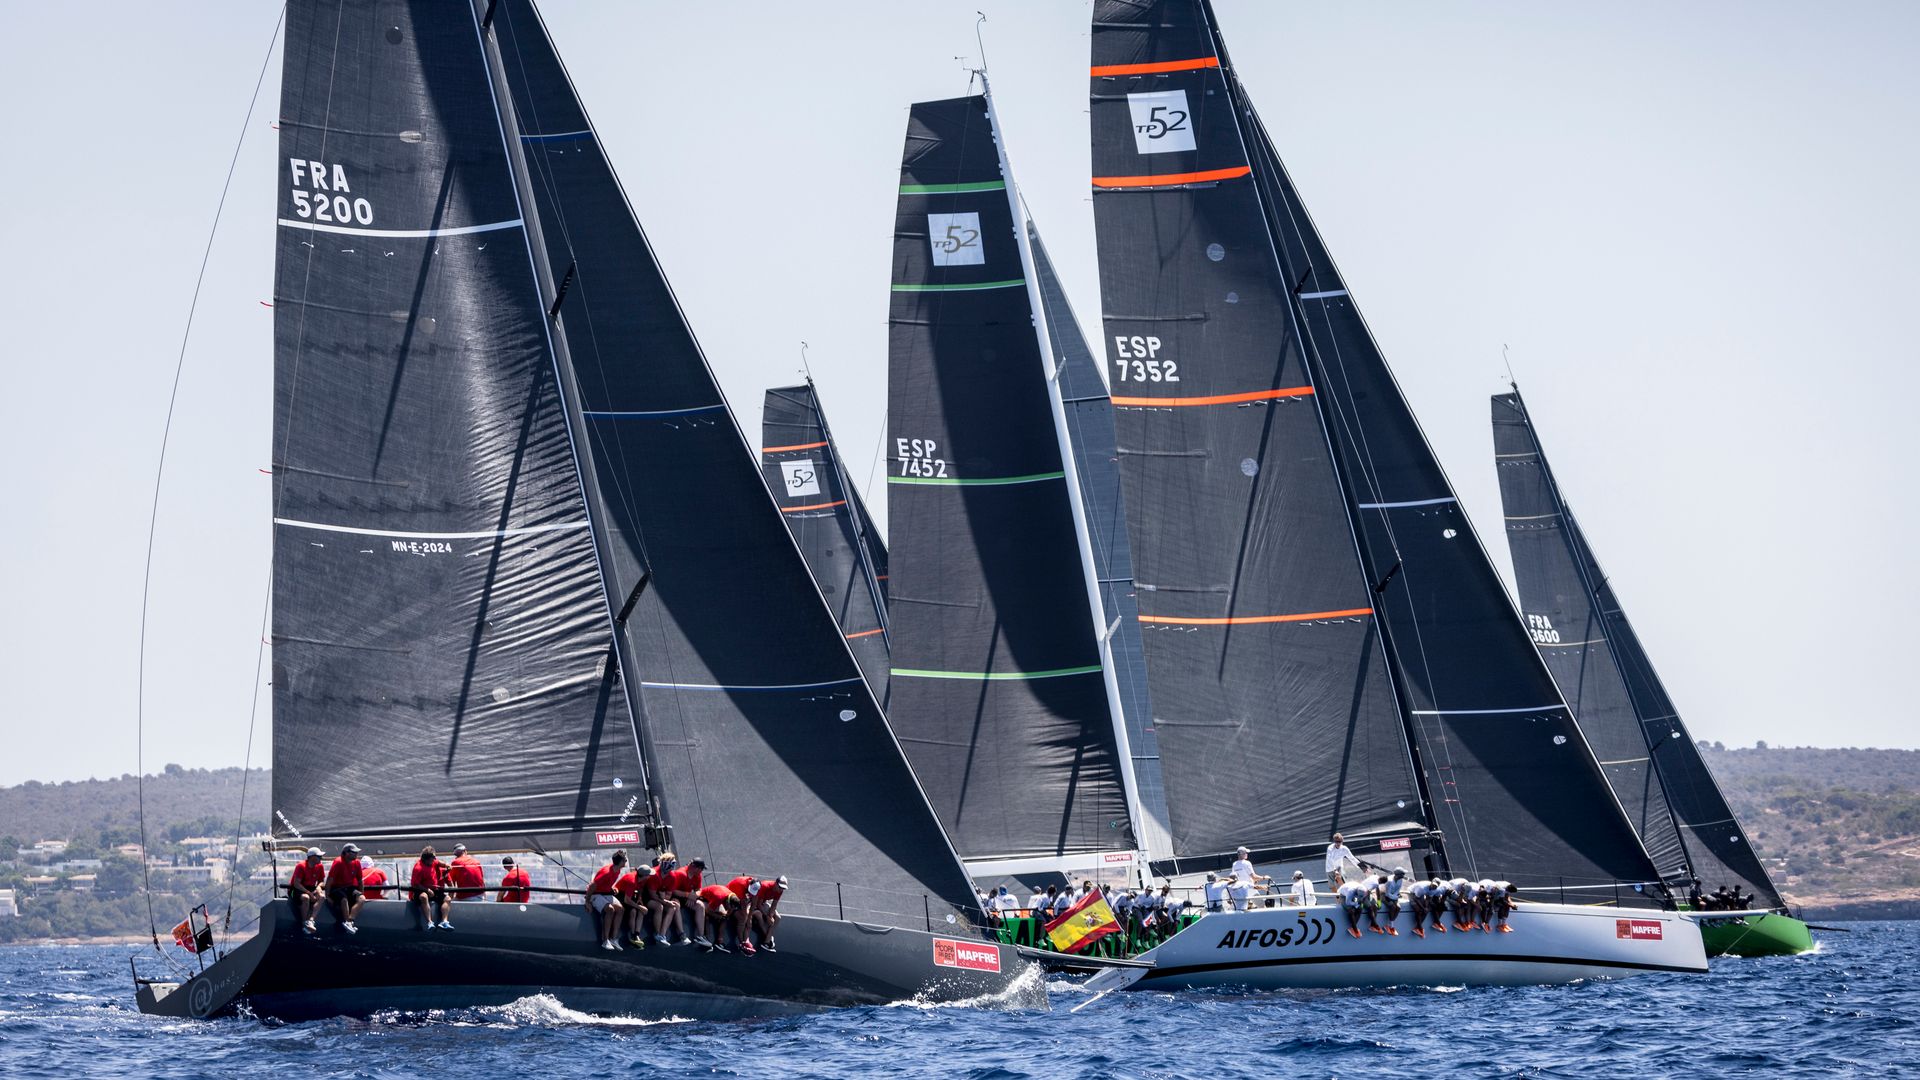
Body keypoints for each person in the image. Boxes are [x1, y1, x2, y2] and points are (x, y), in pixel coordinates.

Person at [587, 850, 628, 950]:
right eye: (624, 860)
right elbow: (592, 886)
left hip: (605, 893)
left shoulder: (617, 870)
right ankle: (605, 941)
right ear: (620, 862)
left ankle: (613, 938)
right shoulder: (606, 872)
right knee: (610, 910)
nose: (626, 861)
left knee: (621, 909)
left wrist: (611, 888)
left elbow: (606, 883)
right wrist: (587, 901)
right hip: (595, 895)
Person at [644, 856, 685, 946]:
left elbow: (669, 894)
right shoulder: (654, 874)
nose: (670, 868)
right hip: (647, 897)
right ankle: (657, 933)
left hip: (660, 898)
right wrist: (665, 901)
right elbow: (652, 895)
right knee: (659, 907)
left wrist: (665, 899)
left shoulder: (672, 876)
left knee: (673, 908)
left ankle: (662, 935)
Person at [410, 846, 453, 930]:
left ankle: (444, 922)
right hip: (420, 890)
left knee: (447, 899)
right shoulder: (418, 868)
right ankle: (430, 922)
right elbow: (415, 884)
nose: (433, 860)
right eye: (432, 859)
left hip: (434, 890)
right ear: (425, 859)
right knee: (424, 897)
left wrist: (447, 865)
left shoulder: (433, 862)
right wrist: (427, 890)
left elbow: (440, 863)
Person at [325, 843, 365, 934]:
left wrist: (361, 893)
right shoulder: (338, 862)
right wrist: (327, 896)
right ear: (346, 853)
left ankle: (350, 920)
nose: (356, 854)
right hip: (337, 888)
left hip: (349, 887)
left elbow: (360, 880)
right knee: (344, 900)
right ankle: (346, 921)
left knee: (362, 899)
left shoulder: (357, 863)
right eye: (354, 852)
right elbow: (330, 879)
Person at [613, 862, 652, 948]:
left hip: (630, 896)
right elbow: (627, 900)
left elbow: (641, 887)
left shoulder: (642, 879)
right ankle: (632, 934)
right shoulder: (632, 881)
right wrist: (639, 907)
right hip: (621, 896)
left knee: (641, 911)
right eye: (649, 875)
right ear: (644, 876)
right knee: (634, 911)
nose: (650, 876)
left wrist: (640, 897)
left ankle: (636, 935)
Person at [288, 848, 327, 934]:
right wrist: (309, 893)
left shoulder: (320, 866)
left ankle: (311, 920)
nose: (321, 858)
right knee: (306, 898)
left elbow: (321, 881)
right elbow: (296, 884)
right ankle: (304, 922)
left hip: (311, 888)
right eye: (319, 856)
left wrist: (318, 887)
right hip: (296, 889)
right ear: (312, 857)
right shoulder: (301, 866)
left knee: (322, 897)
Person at [693, 882, 737, 951]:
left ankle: (720, 941)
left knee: (724, 917)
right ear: (728, 902)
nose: (729, 909)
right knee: (707, 917)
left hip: (713, 900)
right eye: (729, 907)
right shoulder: (719, 897)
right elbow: (708, 911)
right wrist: (717, 916)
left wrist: (726, 915)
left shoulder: (732, 897)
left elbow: (730, 909)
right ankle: (706, 939)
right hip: (703, 898)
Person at [1229, 847, 1271, 911]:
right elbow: (1253, 876)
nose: (1247, 854)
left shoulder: (1234, 864)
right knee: (1262, 906)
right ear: (1242, 854)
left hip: (1240, 890)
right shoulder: (1247, 863)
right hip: (1249, 888)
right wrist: (1264, 877)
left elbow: (1235, 877)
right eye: (1246, 853)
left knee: (1241, 907)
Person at [1378, 869, 1406, 935]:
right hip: (1384, 895)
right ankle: (1391, 926)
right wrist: (1396, 897)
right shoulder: (1389, 881)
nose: (1403, 875)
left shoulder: (1400, 880)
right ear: (1398, 874)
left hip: (1393, 895)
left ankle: (1390, 924)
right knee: (1392, 906)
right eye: (1402, 874)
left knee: (1398, 907)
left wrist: (1395, 897)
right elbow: (1387, 894)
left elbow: (1397, 890)